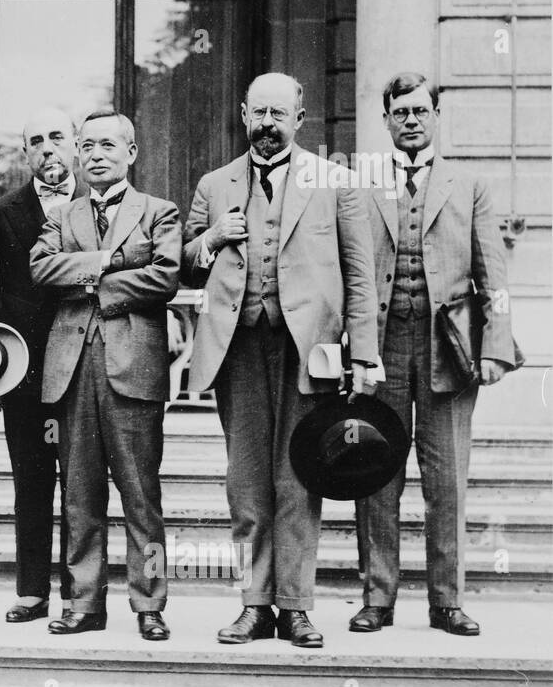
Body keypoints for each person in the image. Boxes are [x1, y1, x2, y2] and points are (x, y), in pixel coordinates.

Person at [182, 72, 379, 648]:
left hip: (307, 351)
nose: (267, 124)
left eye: (279, 113)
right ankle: (254, 604)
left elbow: (359, 276)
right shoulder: (214, 184)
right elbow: (185, 261)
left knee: (298, 478)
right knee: (245, 483)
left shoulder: (337, 182)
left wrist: (363, 354)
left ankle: (295, 606)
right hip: (238, 347)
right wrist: (214, 236)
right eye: (258, 113)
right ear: (243, 114)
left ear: (299, 118)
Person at [350, 72, 516, 637]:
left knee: (446, 480)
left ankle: (446, 601)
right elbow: (345, 273)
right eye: (401, 113)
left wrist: (494, 347)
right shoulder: (362, 185)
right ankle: (378, 598)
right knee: (377, 472)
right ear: (387, 120)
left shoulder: (469, 185)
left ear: (436, 116)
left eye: (421, 111)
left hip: (450, 349)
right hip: (382, 346)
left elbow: (494, 275)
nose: (412, 121)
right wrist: (353, 353)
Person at [29, 110, 180, 639]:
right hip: (71, 368)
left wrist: (92, 281)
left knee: (141, 494)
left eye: (108, 146)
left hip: (132, 367)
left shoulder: (160, 212)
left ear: (131, 152)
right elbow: (40, 267)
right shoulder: (61, 216)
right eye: (87, 145)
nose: (95, 155)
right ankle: (85, 602)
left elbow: (164, 275)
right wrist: (108, 264)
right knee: (79, 492)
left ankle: (150, 603)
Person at [0, 107, 88, 624]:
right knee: (29, 480)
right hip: (25, 371)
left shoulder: (99, 204)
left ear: (74, 144)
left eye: (56, 138)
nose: (48, 149)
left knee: (81, 481)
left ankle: (78, 589)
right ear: (26, 154)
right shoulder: (2, 211)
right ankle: (32, 589)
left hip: (82, 364)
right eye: (36, 142)